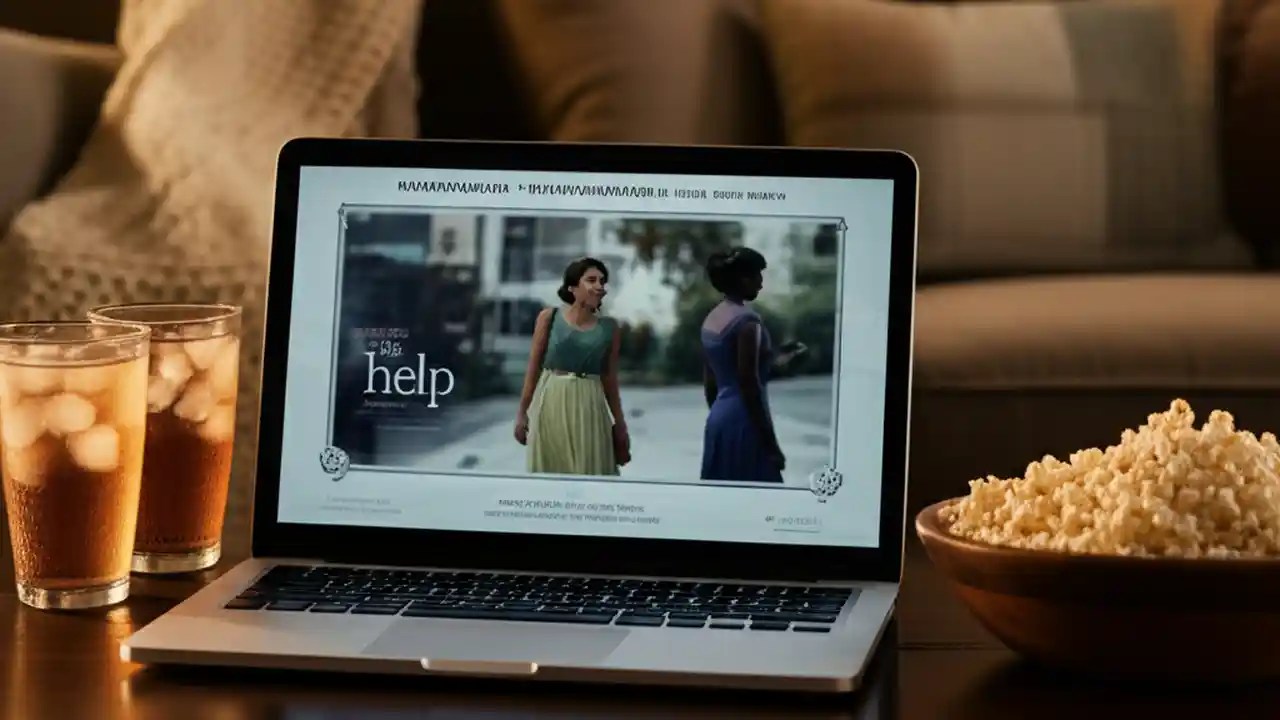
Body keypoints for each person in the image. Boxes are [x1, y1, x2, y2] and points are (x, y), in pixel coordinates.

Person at [514, 257, 630, 475]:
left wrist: (620, 424)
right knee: (551, 472)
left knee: (590, 471)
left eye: (602, 281)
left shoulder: (609, 328)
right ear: (573, 287)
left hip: (590, 406)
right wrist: (522, 413)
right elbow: (534, 367)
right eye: (591, 280)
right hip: (552, 401)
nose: (599, 286)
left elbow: (609, 378)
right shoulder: (549, 318)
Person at [699, 247, 804, 483]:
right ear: (742, 279)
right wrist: (771, 446)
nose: (761, 283)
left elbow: (711, 380)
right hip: (745, 420)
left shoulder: (711, 319)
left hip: (718, 421)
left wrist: (778, 356)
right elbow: (749, 383)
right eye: (757, 276)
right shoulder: (748, 322)